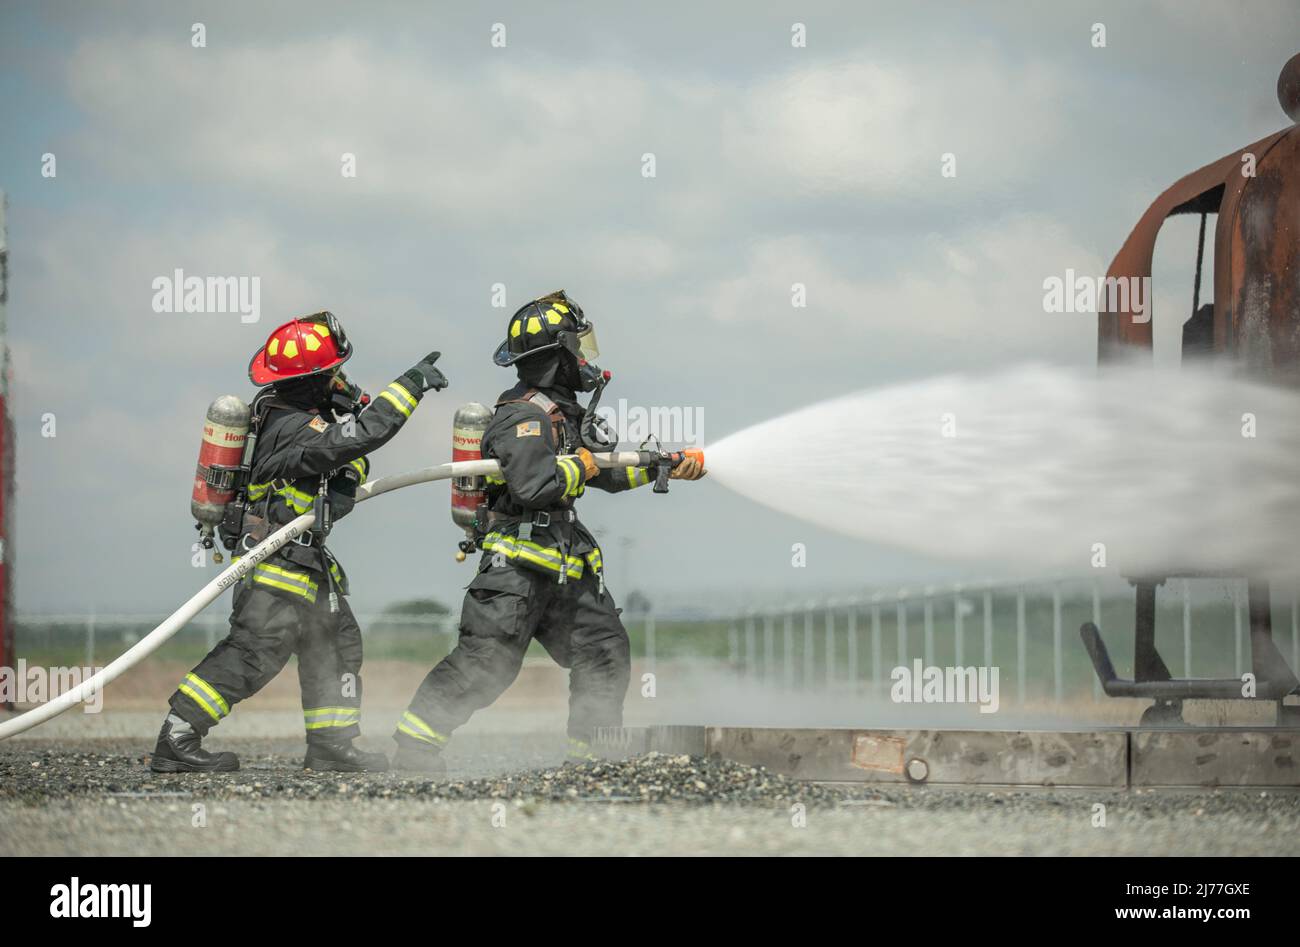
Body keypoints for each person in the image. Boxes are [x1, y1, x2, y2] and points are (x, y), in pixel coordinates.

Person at [392, 291, 704, 772]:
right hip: (513, 572)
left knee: (604, 651)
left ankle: (590, 758)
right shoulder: (523, 416)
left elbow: (607, 474)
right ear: (558, 353)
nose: (585, 358)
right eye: (578, 346)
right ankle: (415, 750)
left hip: (562, 570)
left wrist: (666, 465)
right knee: (485, 666)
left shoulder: (561, 414)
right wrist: (579, 467)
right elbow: (535, 486)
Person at [151, 311, 448, 773]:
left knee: (334, 646)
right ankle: (178, 736)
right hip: (277, 560)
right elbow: (361, 437)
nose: (339, 380)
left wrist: (348, 462)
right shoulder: (292, 427)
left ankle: (331, 745)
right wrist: (409, 385)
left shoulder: (289, 413)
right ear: (310, 381)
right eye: (331, 374)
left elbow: (343, 459)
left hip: (304, 560)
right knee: (255, 651)